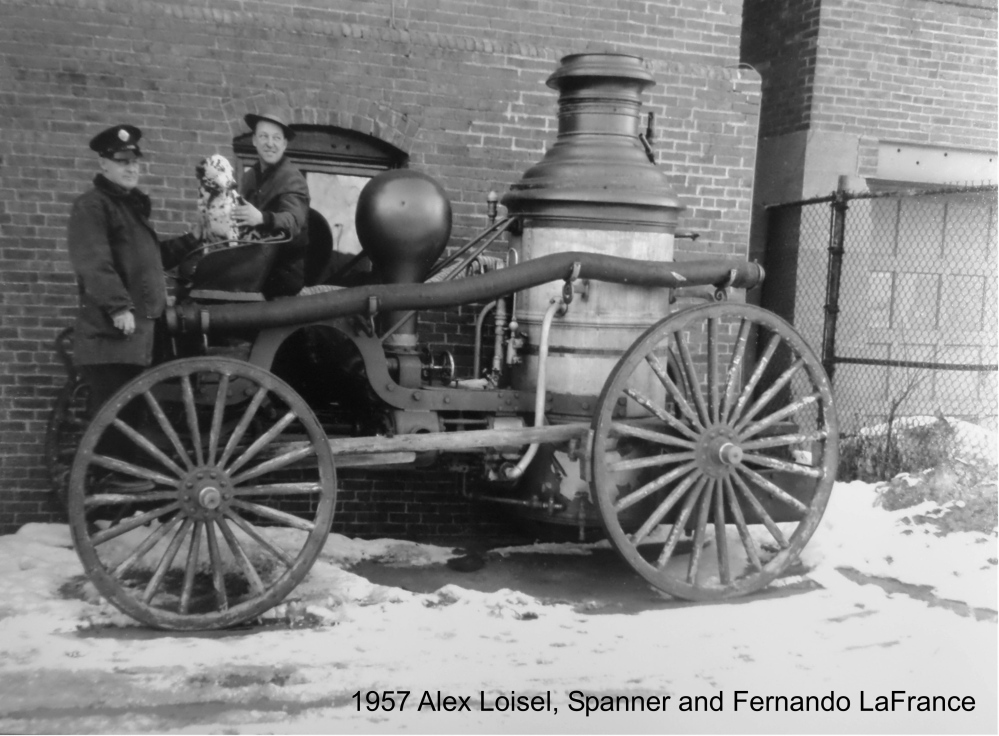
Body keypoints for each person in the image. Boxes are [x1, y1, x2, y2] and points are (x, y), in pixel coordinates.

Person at [66, 124, 199, 479]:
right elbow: (94, 262)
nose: (130, 168)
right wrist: (118, 306)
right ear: (104, 164)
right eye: (121, 162)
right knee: (111, 428)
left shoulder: (129, 209)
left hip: (136, 341)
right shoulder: (93, 207)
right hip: (112, 340)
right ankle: (97, 511)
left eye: (134, 162)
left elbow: (152, 259)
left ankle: (114, 512)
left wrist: (194, 239)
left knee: (128, 424)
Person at [235, 108, 310, 298]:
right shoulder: (249, 177)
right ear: (254, 140)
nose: (270, 144)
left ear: (284, 144)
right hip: (251, 270)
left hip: (280, 279)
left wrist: (262, 218)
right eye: (264, 136)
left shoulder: (293, 178)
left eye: (276, 138)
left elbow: (293, 221)